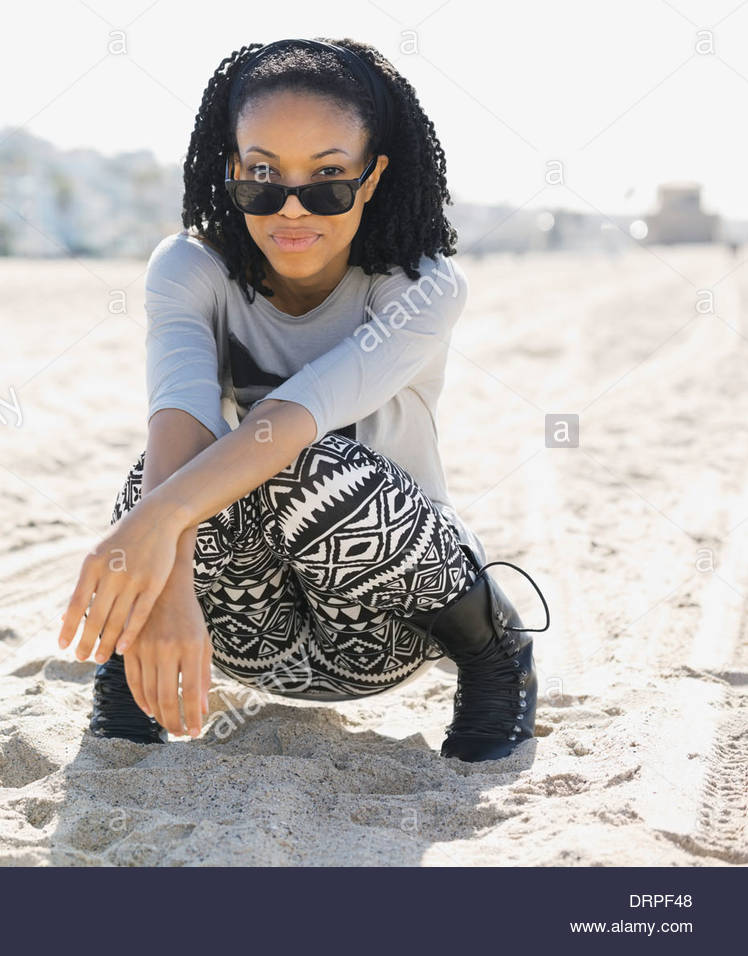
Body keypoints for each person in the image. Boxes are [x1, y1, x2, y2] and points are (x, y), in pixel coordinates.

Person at [57, 37, 550, 762]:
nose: (292, 210)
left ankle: (495, 653)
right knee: (157, 469)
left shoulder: (421, 286)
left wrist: (154, 526)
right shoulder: (190, 267)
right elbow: (179, 415)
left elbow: (289, 423)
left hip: (384, 629)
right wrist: (164, 587)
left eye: (326, 181)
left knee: (298, 463)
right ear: (232, 170)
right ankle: (129, 683)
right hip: (240, 638)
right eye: (262, 176)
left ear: (373, 176)